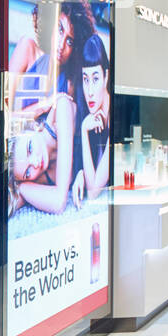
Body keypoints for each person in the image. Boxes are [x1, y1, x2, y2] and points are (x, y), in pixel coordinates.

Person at [72, 33, 111, 208]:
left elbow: (93, 191)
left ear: (106, 77)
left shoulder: (113, 117)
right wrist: (81, 172)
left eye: (95, 79)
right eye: (85, 79)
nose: (90, 91)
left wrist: (83, 131)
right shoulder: (90, 112)